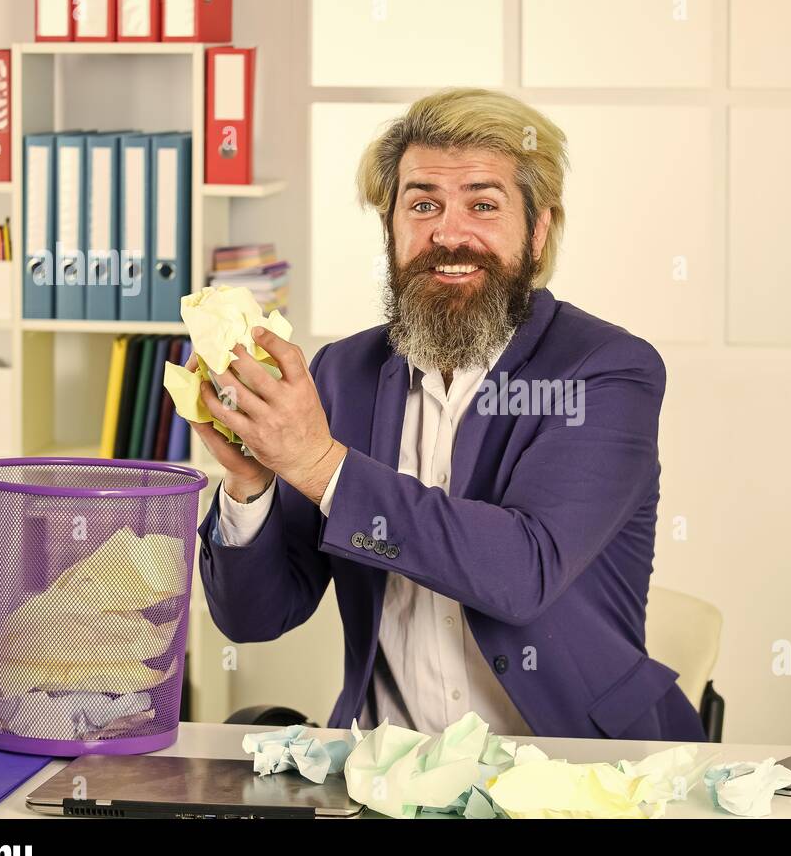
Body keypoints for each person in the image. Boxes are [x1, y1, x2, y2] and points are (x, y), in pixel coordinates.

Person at [192, 88, 705, 742]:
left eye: (483, 205)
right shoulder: (341, 375)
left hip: (573, 772)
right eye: (423, 203)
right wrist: (250, 485)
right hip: (387, 773)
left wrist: (320, 465)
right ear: (391, 228)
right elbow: (255, 618)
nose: (448, 232)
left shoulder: (607, 371)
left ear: (539, 229)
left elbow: (522, 570)